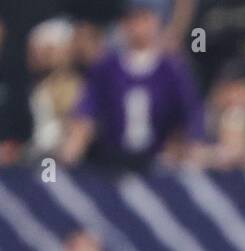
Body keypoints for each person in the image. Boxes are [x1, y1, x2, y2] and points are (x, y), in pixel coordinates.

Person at [58, 0, 204, 170]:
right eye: (132, 19)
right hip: (112, 162)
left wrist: (189, 146)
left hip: (161, 162)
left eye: (144, 19)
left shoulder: (172, 69)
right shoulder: (106, 67)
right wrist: (70, 151)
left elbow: (191, 113)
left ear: (156, 22)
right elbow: (86, 112)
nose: (137, 26)